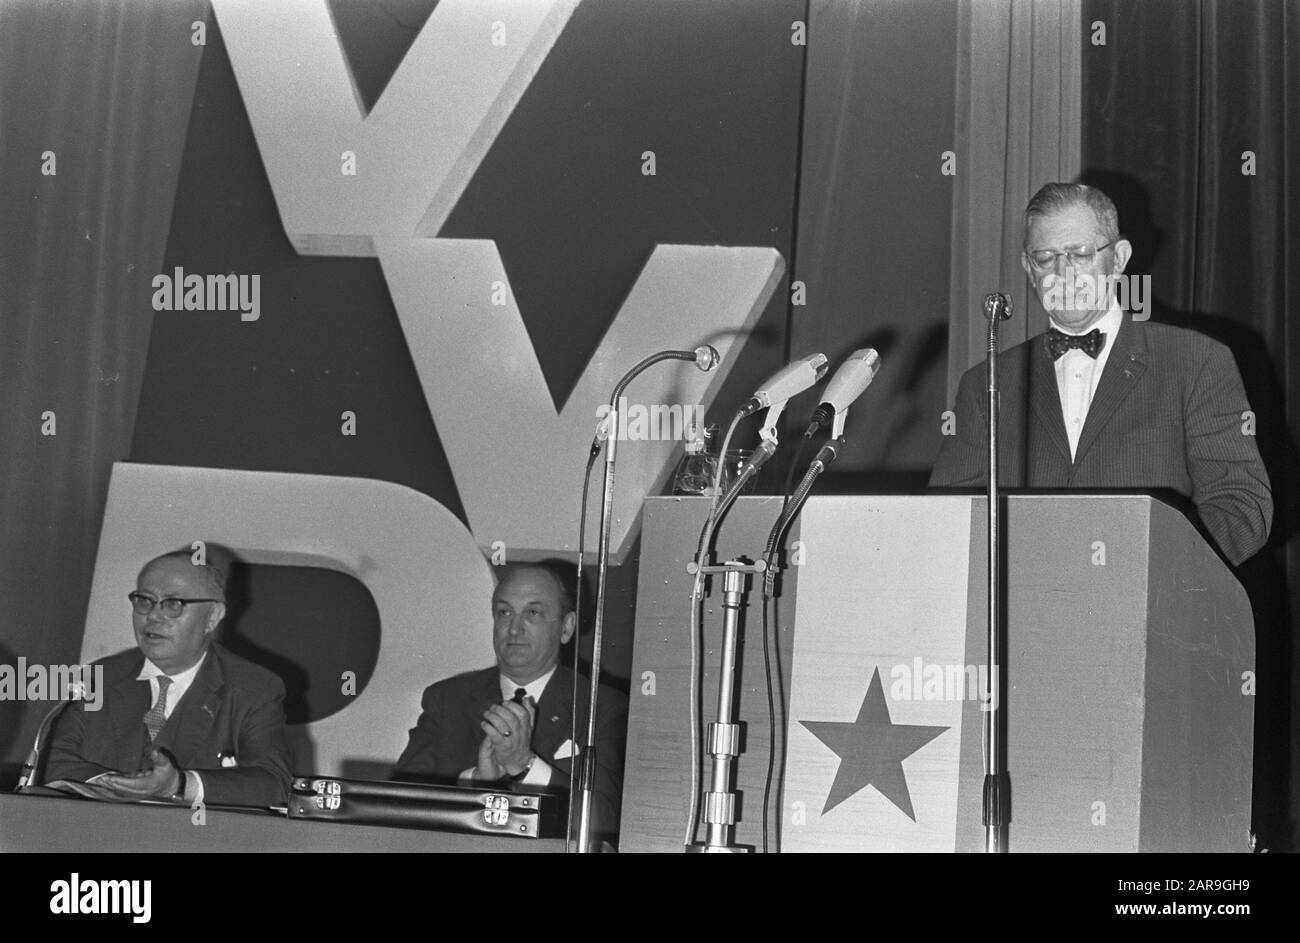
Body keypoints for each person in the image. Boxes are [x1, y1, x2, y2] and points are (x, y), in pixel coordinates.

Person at [930, 182, 1272, 566]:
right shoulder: (986, 384)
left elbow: (1242, 507)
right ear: (1028, 267)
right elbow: (948, 519)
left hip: (1154, 608)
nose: (1064, 273)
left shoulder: (1197, 361)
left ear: (1119, 258)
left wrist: (1145, 568)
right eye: (1045, 257)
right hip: (1023, 614)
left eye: (1080, 253)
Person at [393, 563, 627, 843]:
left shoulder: (602, 707)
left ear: (566, 628)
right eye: (504, 612)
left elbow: (609, 819)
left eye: (533, 613)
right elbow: (398, 803)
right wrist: (477, 782)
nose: (514, 629)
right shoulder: (447, 699)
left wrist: (525, 766)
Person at [44, 549, 292, 806]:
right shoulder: (98, 679)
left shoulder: (255, 689)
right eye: (144, 600)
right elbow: (47, 759)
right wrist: (113, 783)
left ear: (212, 617)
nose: (152, 616)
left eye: (173, 604)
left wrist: (180, 785)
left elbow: (273, 783)